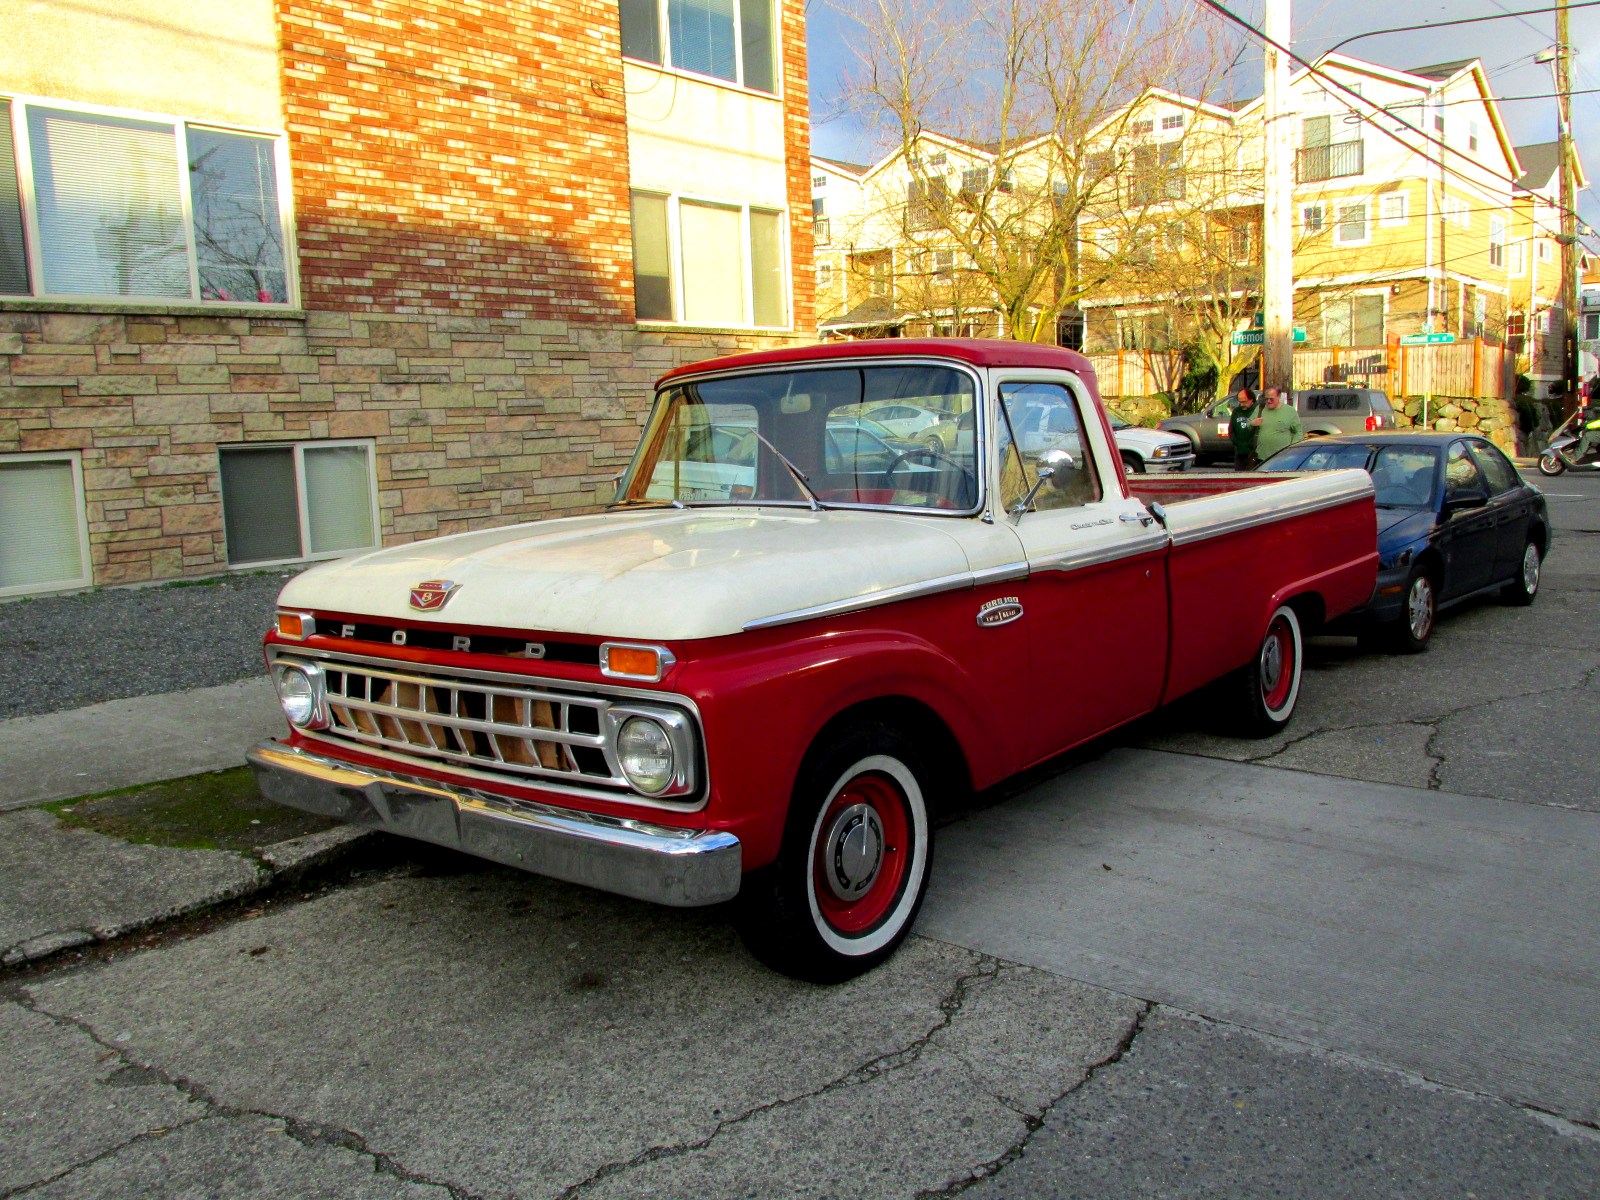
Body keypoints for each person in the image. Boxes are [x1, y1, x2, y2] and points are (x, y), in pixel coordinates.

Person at [1252, 385, 1303, 462]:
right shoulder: (1260, 409)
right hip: (1262, 457)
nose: (1268, 401)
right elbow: (1247, 425)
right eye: (1266, 399)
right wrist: (1252, 423)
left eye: (1271, 399)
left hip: (1283, 457)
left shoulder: (1290, 411)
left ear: (1279, 396)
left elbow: (1298, 432)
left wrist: (1292, 448)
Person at [1228, 387, 1259, 470]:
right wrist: (1237, 443)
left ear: (1251, 400)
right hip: (1239, 452)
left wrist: (1251, 444)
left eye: (1244, 402)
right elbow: (1231, 430)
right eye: (1240, 402)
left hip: (1253, 452)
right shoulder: (1236, 411)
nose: (1241, 404)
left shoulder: (1258, 410)